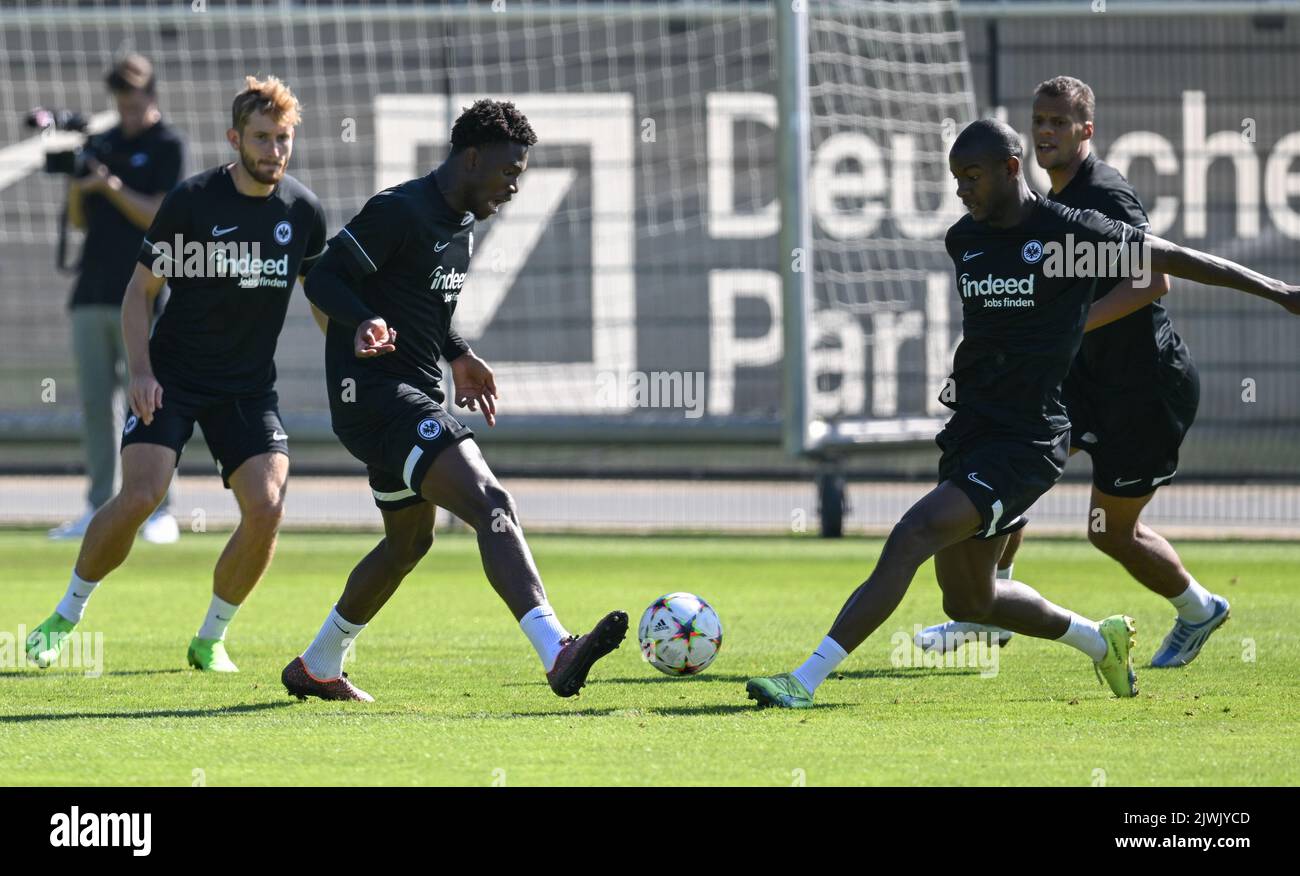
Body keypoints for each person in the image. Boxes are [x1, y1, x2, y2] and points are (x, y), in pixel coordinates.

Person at [745, 118, 1300, 709]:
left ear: (1012, 169)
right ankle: (1100, 641)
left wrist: (1280, 292)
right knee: (969, 603)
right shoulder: (966, 240)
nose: (963, 190)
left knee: (913, 533)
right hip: (970, 432)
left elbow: (1171, 259)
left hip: (1025, 443)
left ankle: (803, 680)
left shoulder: (1071, 238)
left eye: (974, 176)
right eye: (957, 178)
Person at [285, 99, 627, 702]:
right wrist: (362, 320)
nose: (514, 186)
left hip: (407, 393)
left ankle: (318, 664)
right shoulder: (401, 211)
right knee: (492, 502)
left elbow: (424, 306)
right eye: (508, 172)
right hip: (379, 397)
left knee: (408, 542)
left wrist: (459, 352)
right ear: (471, 158)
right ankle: (557, 649)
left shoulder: (461, 224)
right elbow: (325, 276)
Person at [919, 77, 1229, 668]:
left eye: (1059, 123)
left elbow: (1154, 279)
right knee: (1006, 467)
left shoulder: (1105, 195)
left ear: (1087, 130)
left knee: (1108, 532)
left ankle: (1198, 608)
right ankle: (985, 612)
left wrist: (1059, 324)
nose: (1046, 132)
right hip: (1082, 380)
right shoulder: (1043, 199)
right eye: (1039, 121)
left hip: (1141, 387)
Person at [27, 76, 328, 673]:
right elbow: (139, 294)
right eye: (262, 137)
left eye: (283, 138)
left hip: (246, 388)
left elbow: (319, 297)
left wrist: (356, 350)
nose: (274, 150)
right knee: (142, 495)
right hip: (172, 377)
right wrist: (140, 372)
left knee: (267, 507)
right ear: (234, 139)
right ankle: (65, 615)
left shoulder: (303, 211)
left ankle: (210, 639)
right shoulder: (193, 200)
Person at [49, 53, 184, 544]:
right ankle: (97, 506)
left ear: (151, 93)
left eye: (134, 97)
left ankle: (159, 508)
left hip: (144, 296)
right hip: (91, 293)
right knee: (94, 404)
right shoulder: (101, 143)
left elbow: (158, 216)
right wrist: (80, 186)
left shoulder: (168, 144)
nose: (127, 108)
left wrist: (109, 184)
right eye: (120, 100)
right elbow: (81, 221)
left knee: (148, 400)